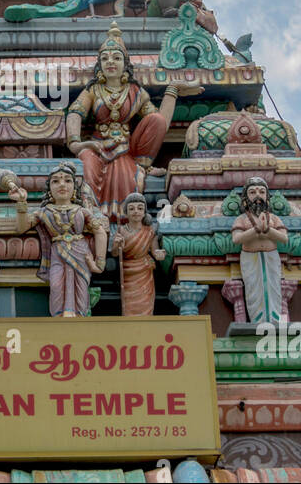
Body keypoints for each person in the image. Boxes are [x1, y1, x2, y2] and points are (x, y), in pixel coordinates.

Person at [66, 23, 200, 222]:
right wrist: (76, 143)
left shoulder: (135, 92)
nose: (110, 62)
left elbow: (159, 124)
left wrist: (172, 90)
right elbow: (74, 113)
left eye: (116, 58)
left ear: (125, 64)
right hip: (97, 147)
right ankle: (91, 215)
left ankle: (143, 166)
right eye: (105, 58)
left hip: (126, 150)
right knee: (86, 162)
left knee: (155, 120)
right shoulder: (93, 90)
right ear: (99, 65)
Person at [10, 163, 108, 317]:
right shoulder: (44, 212)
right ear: (49, 189)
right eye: (56, 181)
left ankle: (79, 318)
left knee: (80, 289)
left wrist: (99, 262)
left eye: (67, 180)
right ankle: (59, 318)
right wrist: (21, 202)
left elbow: (100, 232)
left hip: (81, 255)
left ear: (74, 188)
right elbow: (21, 228)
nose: (62, 184)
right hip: (57, 254)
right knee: (56, 285)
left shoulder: (82, 211)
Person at [228, 177, 289, 325]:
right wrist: (256, 229)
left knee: (274, 289)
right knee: (254, 290)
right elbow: (236, 239)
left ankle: (275, 321)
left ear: (267, 197)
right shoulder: (242, 219)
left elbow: (284, 238)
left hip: (271, 256)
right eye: (252, 192)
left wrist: (268, 229)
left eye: (262, 192)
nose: (257, 195)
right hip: (250, 258)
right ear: (245, 199)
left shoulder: (273, 218)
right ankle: (258, 322)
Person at [113, 192, 163, 316]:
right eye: (132, 209)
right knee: (129, 307)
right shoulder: (121, 231)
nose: (136, 211)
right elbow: (115, 253)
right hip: (127, 273)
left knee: (145, 306)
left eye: (140, 208)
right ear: (126, 212)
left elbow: (154, 250)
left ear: (144, 212)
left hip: (144, 273)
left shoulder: (149, 231)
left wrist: (159, 254)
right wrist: (116, 244)